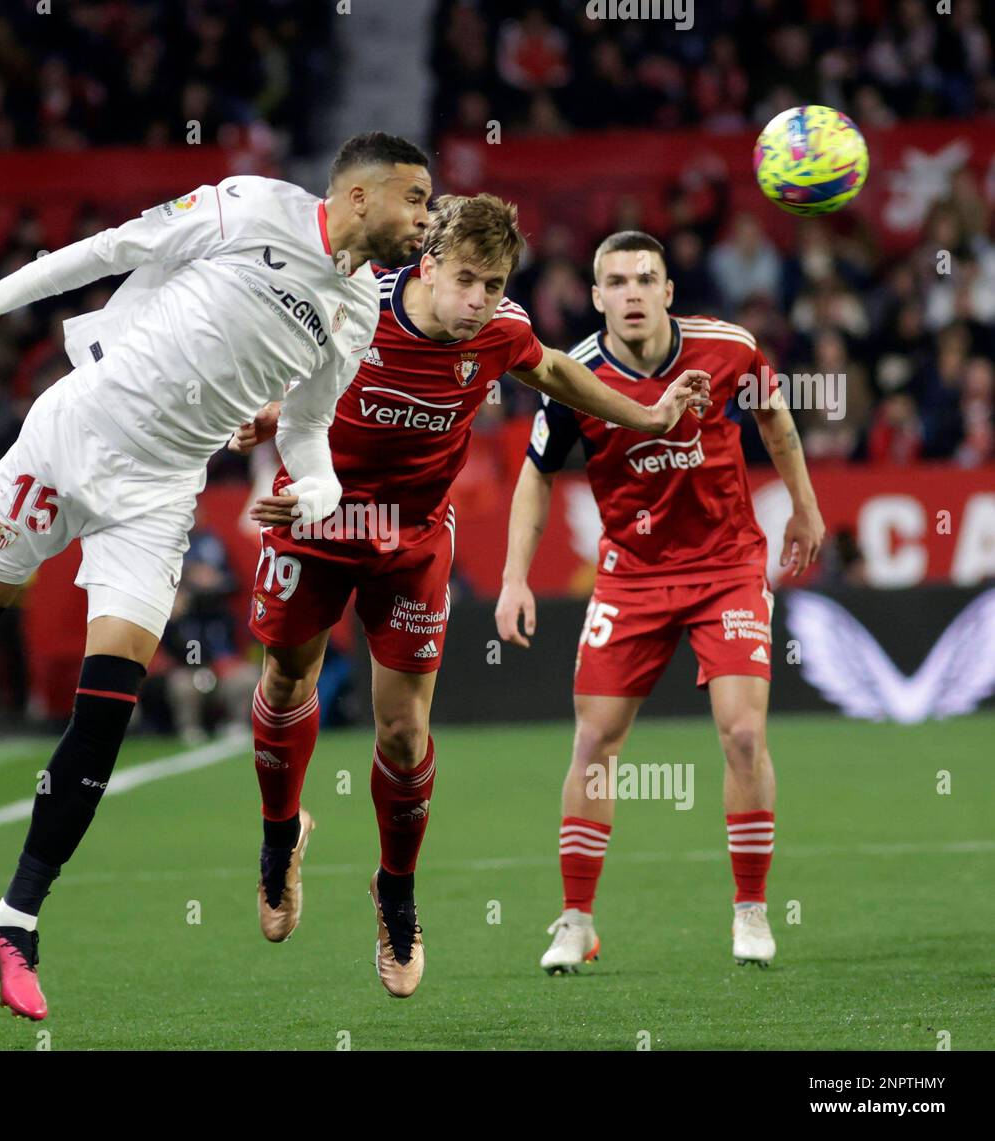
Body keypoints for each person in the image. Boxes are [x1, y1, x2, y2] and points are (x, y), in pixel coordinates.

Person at [0, 131, 434, 1020]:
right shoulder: (253, 207)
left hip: (159, 495)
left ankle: (14, 919)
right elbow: (111, 250)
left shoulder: (360, 310)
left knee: (108, 708)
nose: (426, 218)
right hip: (75, 438)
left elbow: (306, 427)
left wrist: (320, 491)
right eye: (416, 197)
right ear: (363, 196)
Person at [229, 198, 709, 997]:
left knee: (406, 728)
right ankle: (281, 835)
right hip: (314, 517)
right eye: (465, 281)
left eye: (493, 283)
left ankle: (397, 894)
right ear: (426, 266)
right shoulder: (350, 301)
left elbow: (555, 369)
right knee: (285, 678)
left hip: (412, 541)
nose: (480, 299)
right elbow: (277, 367)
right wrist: (268, 415)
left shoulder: (498, 330)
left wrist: (650, 415)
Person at [495, 230, 826, 974]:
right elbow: (536, 473)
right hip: (631, 576)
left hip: (727, 566)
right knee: (594, 743)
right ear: (597, 294)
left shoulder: (730, 347)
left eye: (647, 278)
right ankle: (577, 919)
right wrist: (516, 575)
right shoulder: (573, 374)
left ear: (670, 290)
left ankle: (750, 909)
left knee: (743, 734)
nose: (634, 292)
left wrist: (804, 507)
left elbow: (774, 417)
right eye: (617, 280)